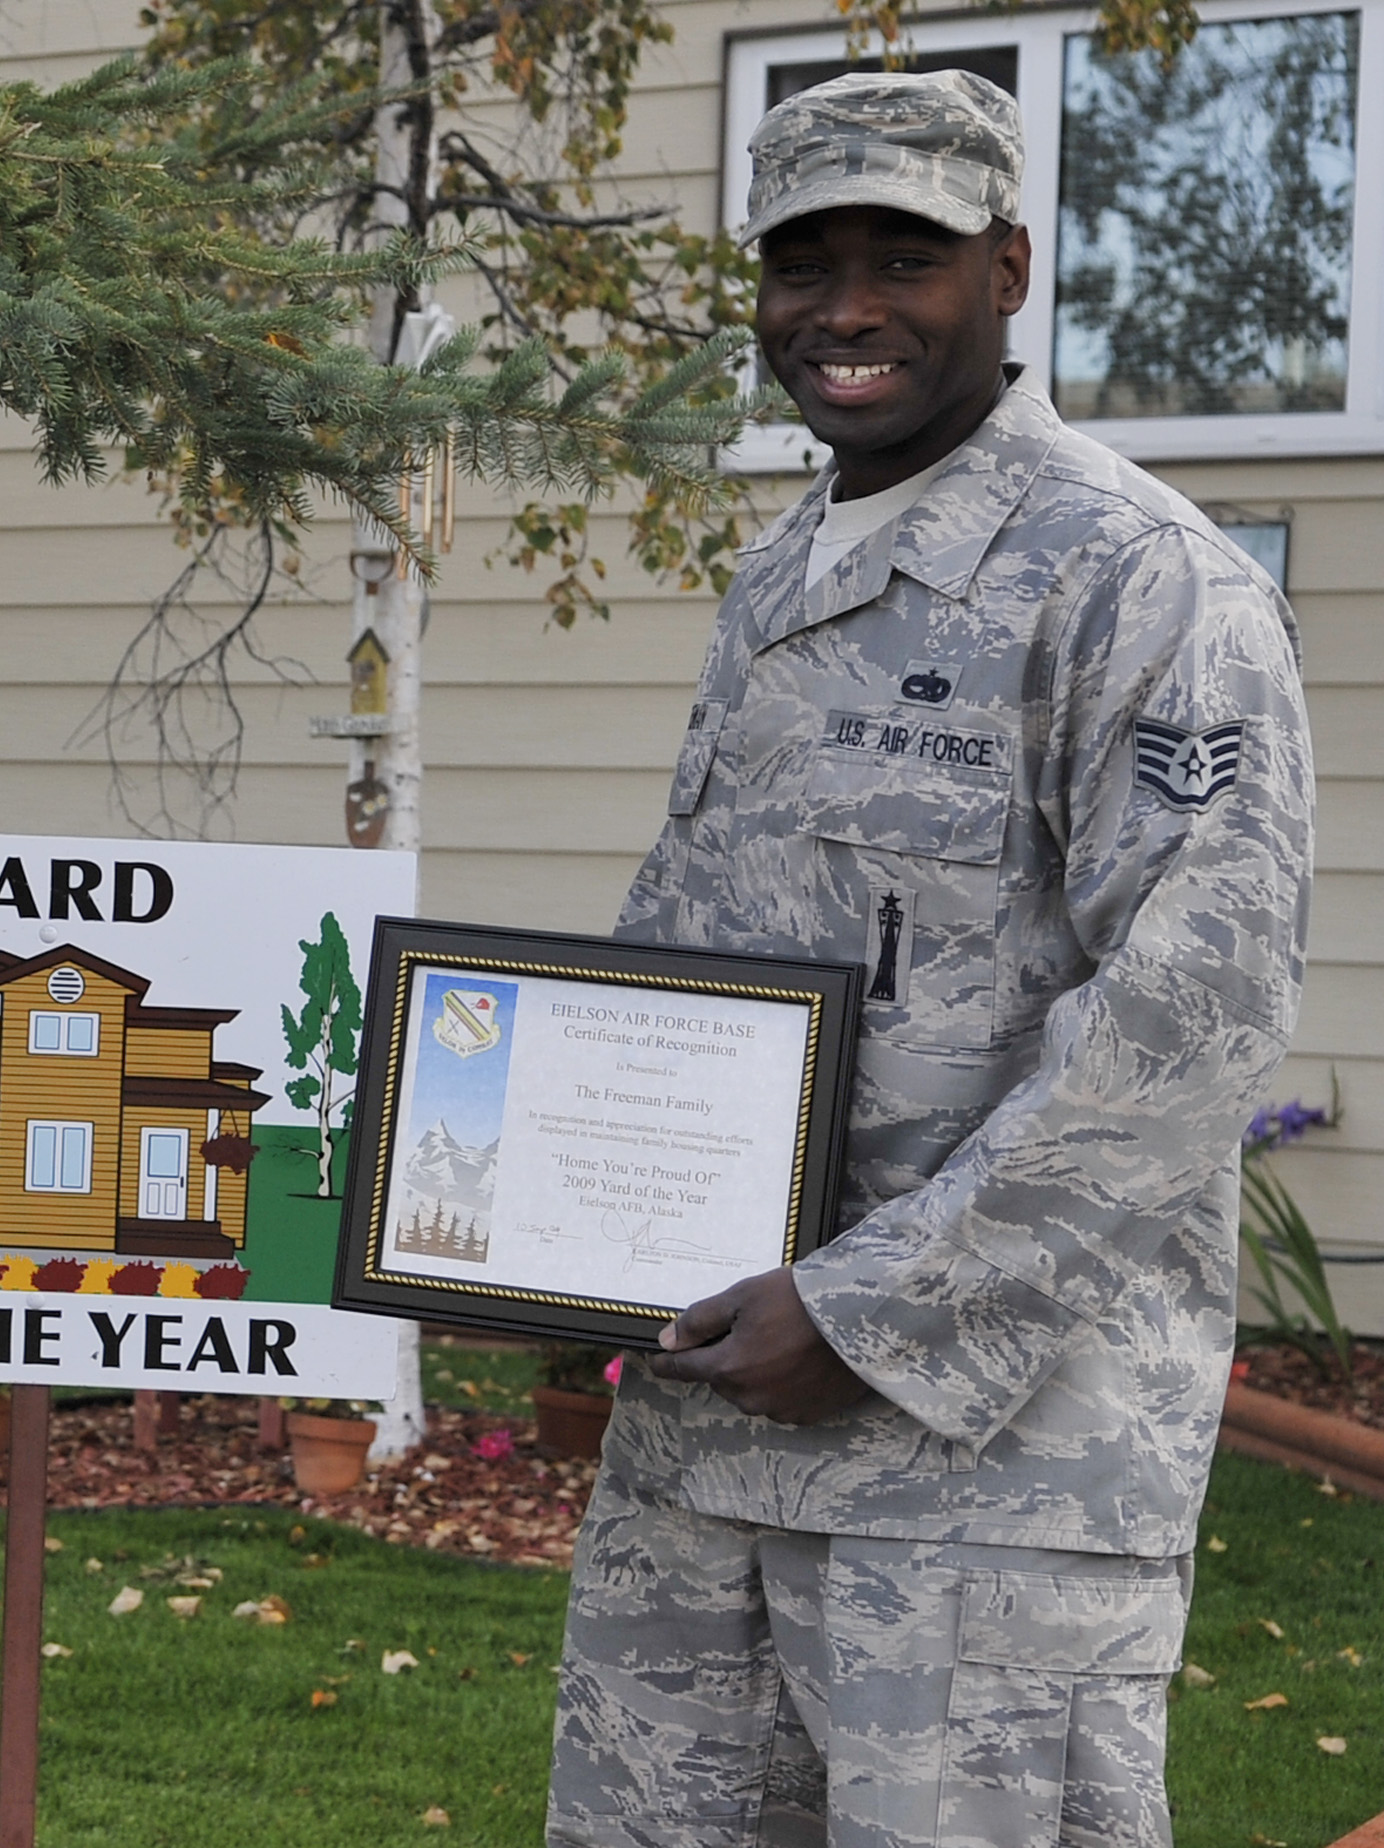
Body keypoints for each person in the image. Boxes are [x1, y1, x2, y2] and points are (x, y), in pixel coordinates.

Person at [546, 71, 1314, 1847]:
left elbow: (1185, 1032)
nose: (847, 307)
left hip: (985, 1493)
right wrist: (551, 1235)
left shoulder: (1140, 583)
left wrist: (874, 1313)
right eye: (803, 260)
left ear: (1014, 270)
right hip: (709, 1454)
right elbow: (687, 954)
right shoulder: (787, 572)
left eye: (908, 253)